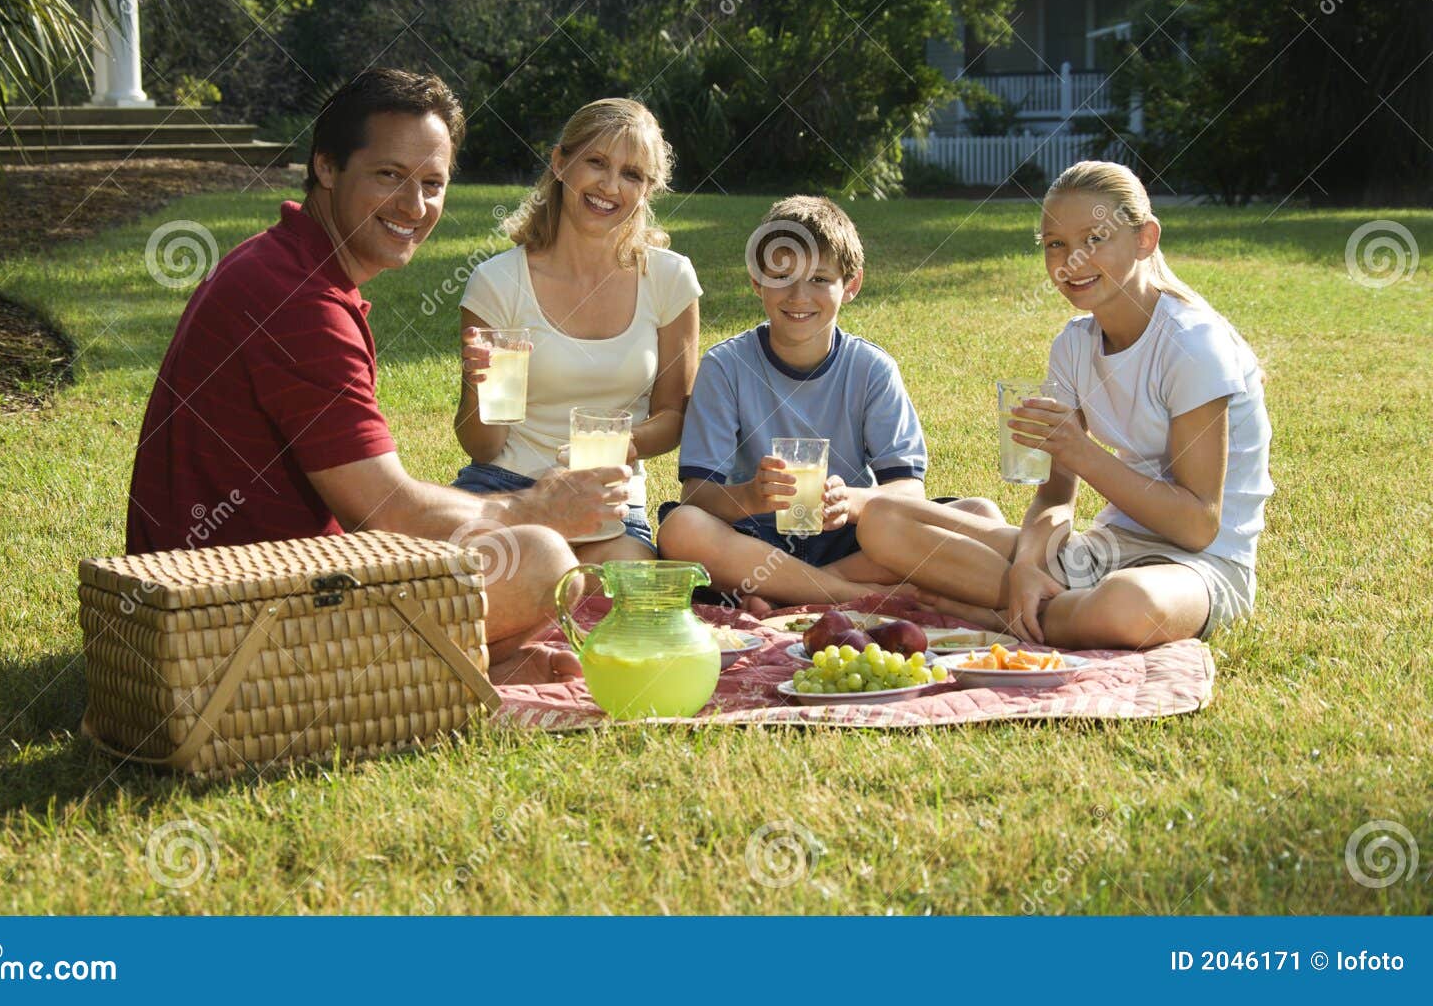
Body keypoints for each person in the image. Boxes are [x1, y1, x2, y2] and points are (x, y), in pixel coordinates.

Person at [125, 68, 629, 684]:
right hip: (225, 618)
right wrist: (536, 505)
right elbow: (385, 510)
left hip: (226, 587)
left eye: (432, 184)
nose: (414, 207)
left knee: (506, 546)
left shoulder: (280, 263)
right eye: (389, 176)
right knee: (540, 557)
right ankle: (437, 671)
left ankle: (476, 663)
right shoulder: (300, 304)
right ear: (328, 167)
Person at [856, 161, 1273, 649]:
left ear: (1145, 239)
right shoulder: (1074, 346)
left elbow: (1199, 525)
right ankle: (1028, 601)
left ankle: (1001, 617)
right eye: (1055, 244)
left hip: (1201, 566)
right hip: (1100, 552)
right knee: (885, 521)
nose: (1071, 261)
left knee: (1127, 607)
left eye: (1095, 239)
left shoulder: (1193, 345)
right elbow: (1055, 498)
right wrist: (1028, 569)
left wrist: (1081, 452)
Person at [655, 195, 1000, 609]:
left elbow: (908, 493)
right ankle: (854, 596)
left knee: (979, 515)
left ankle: (790, 592)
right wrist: (751, 497)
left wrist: (852, 503)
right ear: (756, 281)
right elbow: (699, 494)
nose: (799, 296)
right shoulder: (725, 366)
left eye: (820, 279)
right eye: (781, 276)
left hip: (849, 543)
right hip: (756, 541)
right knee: (681, 529)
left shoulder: (871, 368)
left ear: (850, 285)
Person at [454, 98, 702, 562]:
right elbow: (484, 448)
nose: (610, 186)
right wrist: (477, 387)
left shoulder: (669, 279)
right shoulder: (497, 282)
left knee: (616, 590)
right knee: (480, 581)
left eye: (632, 174)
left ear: (648, 190)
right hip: (507, 492)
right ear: (560, 162)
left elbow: (674, 414)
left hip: (606, 500)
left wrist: (625, 445)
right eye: (596, 162)